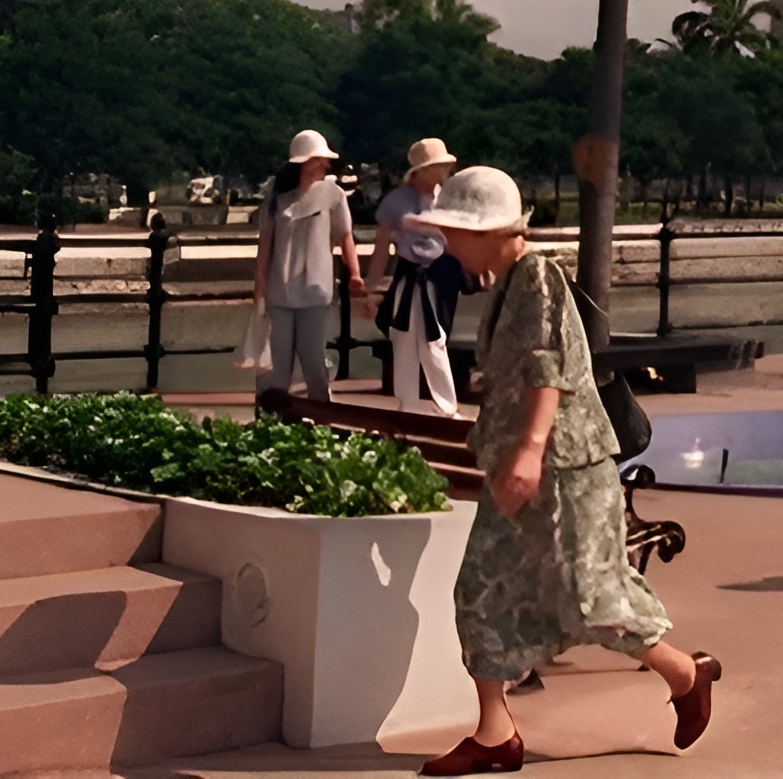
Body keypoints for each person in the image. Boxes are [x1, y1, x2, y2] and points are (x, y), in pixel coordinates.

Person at [415, 166, 718, 775]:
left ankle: (686, 672)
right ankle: (496, 733)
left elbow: (549, 369)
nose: (447, 242)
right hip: (519, 467)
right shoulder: (506, 282)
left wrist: (529, 450)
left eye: (455, 231)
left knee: (590, 596)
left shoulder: (537, 277)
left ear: (492, 232)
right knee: (481, 586)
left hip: (565, 469)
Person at [250, 129, 363, 404]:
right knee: (278, 356)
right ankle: (273, 412)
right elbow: (265, 246)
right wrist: (259, 287)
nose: (324, 165)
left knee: (312, 355)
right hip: (280, 289)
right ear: (302, 162)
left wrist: (355, 273)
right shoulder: (277, 200)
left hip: (316, 289)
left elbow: (345, 235)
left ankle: (319, 410)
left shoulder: (333, 195)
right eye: (318, 160)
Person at [366, 138, 464, 416]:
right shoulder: (396, 202)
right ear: (421, 171)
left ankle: (445, 405)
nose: (444, 171)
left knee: (434, 339)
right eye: (438, 166)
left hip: (440, 276)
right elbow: (382, 249)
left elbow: (457, 239)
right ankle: (407, 404)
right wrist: (372, 289)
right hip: (410, 276)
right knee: (404, 338)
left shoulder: (446, 199)